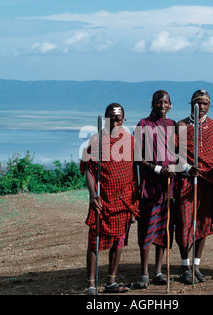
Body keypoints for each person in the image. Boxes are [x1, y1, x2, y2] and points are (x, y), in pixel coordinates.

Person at [80, 103, 140, 295]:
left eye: (118, 118)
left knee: (118, 242)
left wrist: (134, 202)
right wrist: (92, 194)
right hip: (102, 201)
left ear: (124, 119)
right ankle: (91, 284)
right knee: (94, 243)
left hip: (124, 201)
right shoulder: (96, 141)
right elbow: (89, 170)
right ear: (105, 119)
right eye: (111, 118)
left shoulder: (130, 141)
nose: (115, 122)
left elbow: (134, 171)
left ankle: (110, 283)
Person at [174, 89, 213, 284]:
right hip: (187, 182)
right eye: (198, 103)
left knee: (203, 224)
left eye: (205, 104)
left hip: (207, 183)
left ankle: (196, 265)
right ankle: (185, 266)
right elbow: (175, 155)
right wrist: (188, 168)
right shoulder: (181, 125)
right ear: (191, 104)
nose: (201, 107)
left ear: (209, 106)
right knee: (185, 223)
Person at [135, 90, 177, 288]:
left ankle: (159, 271)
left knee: (164, 230)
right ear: (152, 103)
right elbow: (136, 156)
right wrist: (158, 169)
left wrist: (176, 169)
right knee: (146, 230)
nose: (162, 105)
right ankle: (144, 273)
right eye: (158, 101)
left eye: (165, 102)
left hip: (168, 188)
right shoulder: (143, 125)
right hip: (149, 187)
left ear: (170, 105)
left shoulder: (173, 126)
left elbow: (179, 155)